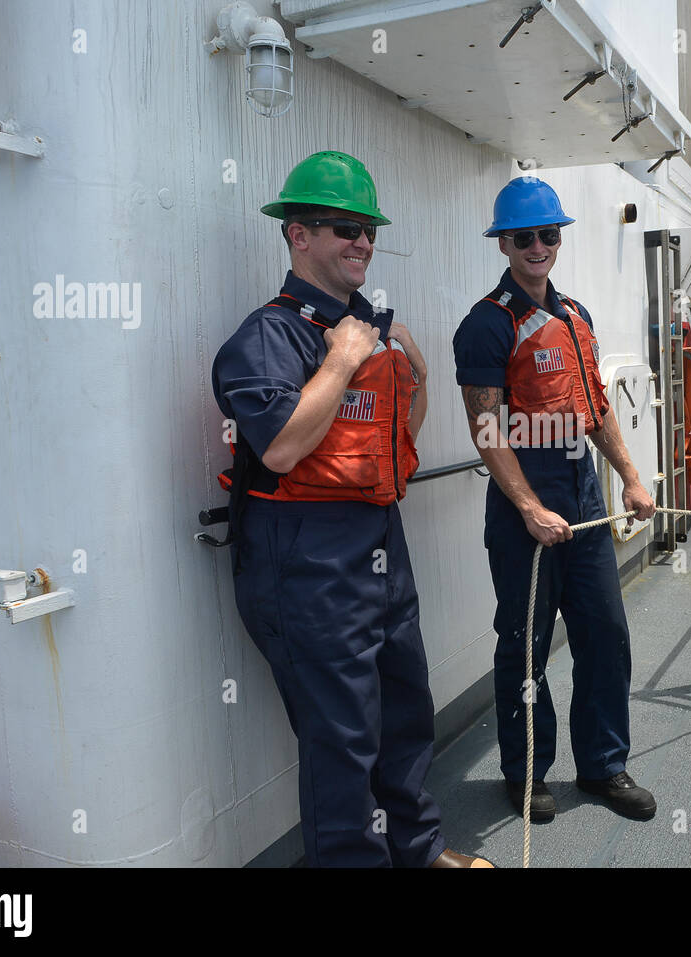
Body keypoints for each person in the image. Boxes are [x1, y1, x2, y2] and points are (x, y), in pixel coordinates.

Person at [212, 151, 490, 868]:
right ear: (296, 235)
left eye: (367, 229)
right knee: (340, 746)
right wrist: (339, 361)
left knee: (405, 715)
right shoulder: (266, 338)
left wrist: (406, 373)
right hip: (304, 569)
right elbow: (276, 448)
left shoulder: (371, 330)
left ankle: (419, 849)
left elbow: (401, 425)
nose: (361, 241)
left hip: (379, 549)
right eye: (343, 227)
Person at [452, 177, 658, 823]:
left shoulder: (576, 316)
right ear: (505, 244)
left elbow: (595, 409)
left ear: (558, 239)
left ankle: (603, 765)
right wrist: (526, 506)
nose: (538, 245)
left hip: (585, 492)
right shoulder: (487, 325)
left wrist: (628, 474)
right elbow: (487, 430)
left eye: (548, 234)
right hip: (526, 508)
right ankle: (527, 771)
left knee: (605, 635)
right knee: (525, 645)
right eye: (524, 237)